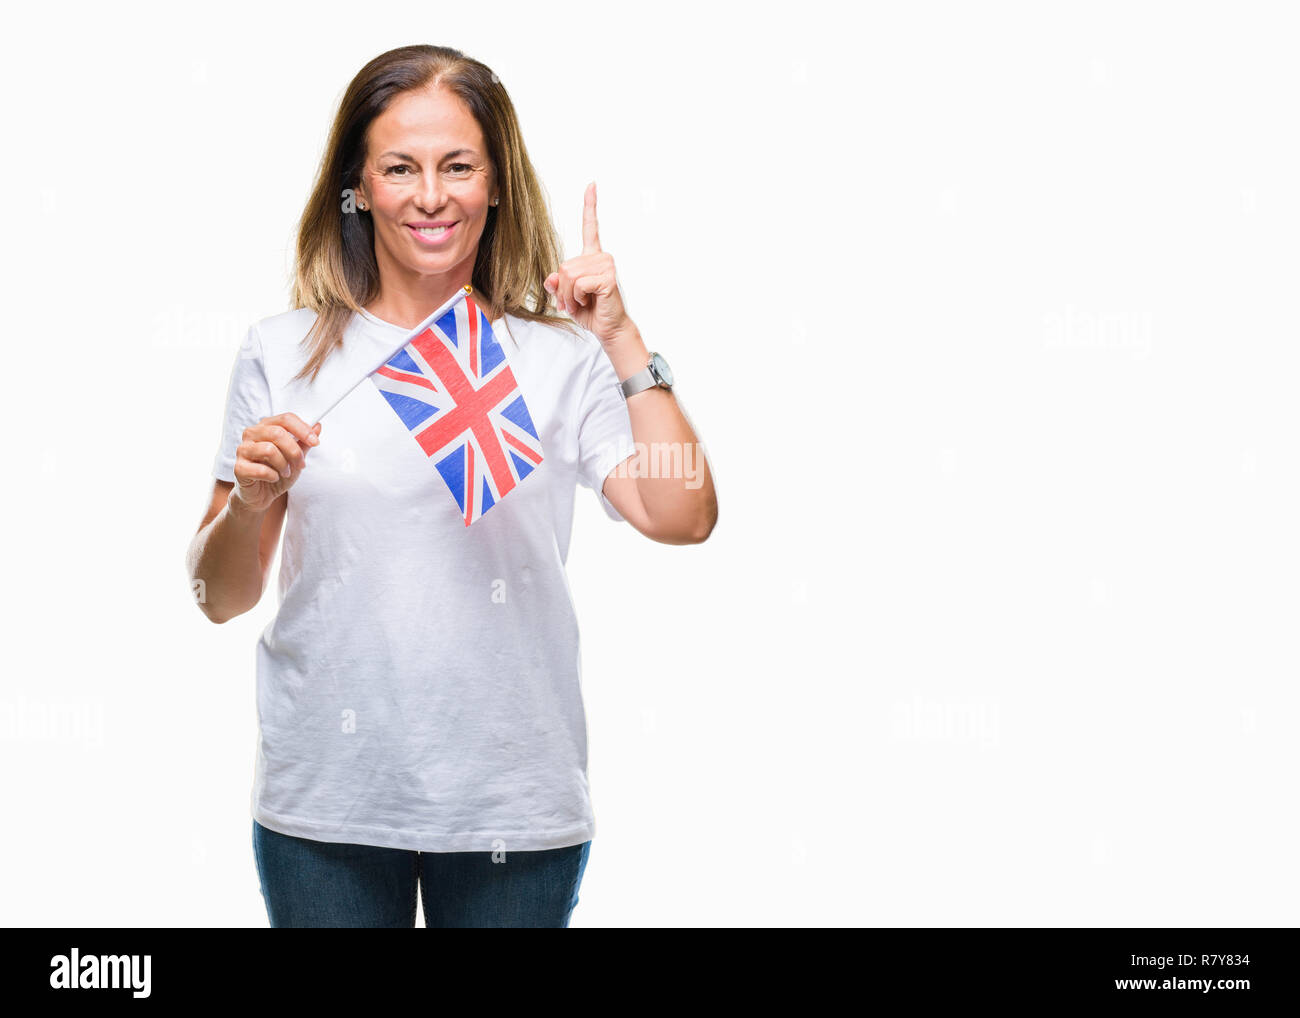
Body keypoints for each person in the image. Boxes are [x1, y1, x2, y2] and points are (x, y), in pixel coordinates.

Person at [184, 44, 717, 928]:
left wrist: (623, 341)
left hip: (515, 797)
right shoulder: (280, 352)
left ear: (497, 182)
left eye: (458, 166)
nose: (431, 196)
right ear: (359, 187)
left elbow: (683, 512)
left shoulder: (561, 356)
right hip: (327, 801)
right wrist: (249, 498)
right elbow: (219, 596)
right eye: (400, 168)